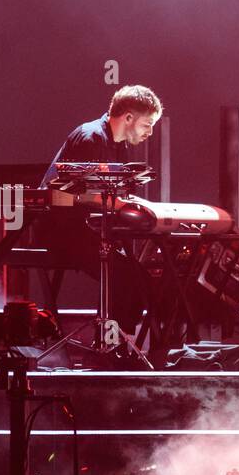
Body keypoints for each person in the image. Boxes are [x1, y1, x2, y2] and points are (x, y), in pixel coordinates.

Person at [38, 85, 163, 343]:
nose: (150, 132)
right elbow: (65, 193)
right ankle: (108, 344)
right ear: (128, 118)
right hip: (62, 232)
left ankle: (118, 341)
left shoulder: (119, 147)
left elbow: (110, 196)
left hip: (87, 231)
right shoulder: (90, 138)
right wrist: (117, 204)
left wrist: (127, 202)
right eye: (147, 124)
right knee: (124, 277)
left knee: (138, 277)